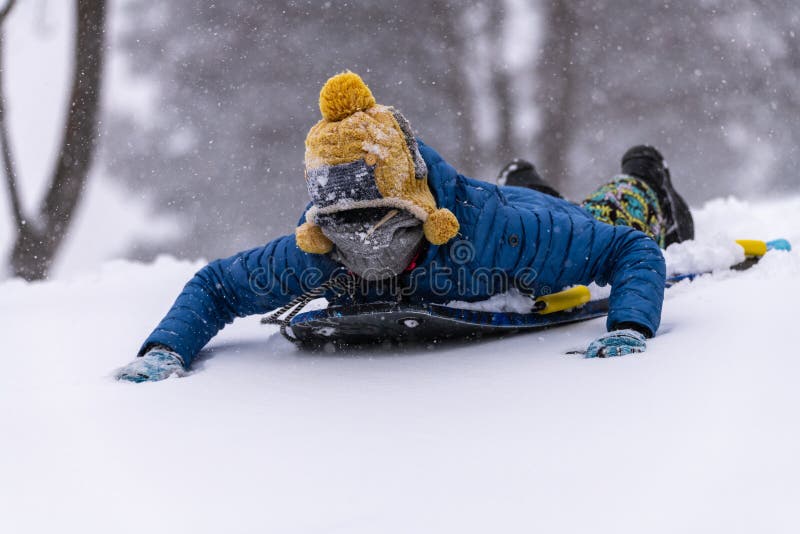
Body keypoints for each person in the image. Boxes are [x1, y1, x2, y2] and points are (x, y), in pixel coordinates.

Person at [116, 71, 694, 383]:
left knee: (605, 213)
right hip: (511, 205)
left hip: (520, 214)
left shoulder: (497, 233)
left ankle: (646, 172)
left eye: (383, 219)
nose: (363, 240)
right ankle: (524, 175)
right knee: (536, 196)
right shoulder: (315, 256)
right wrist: (168, 349)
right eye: (344, 225)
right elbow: (218, 285)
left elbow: (630, 250)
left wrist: (632, 326)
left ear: (417, 205)